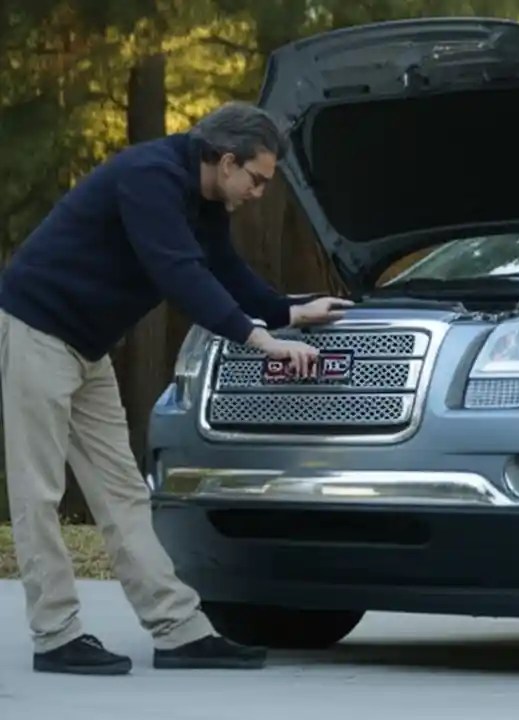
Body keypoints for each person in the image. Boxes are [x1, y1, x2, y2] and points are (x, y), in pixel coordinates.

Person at [0, 101, 352, 675]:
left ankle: (178, 631)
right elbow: (180, 273)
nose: (259, 193)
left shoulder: (203, 197)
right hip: (36, 328)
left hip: (86, 346)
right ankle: (56, 634)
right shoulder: (151, 178)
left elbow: (224, 270)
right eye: (257, 179)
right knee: (38, 492)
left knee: (123, 491)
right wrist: (260, 340)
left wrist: (289, 312)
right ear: (227, 161)